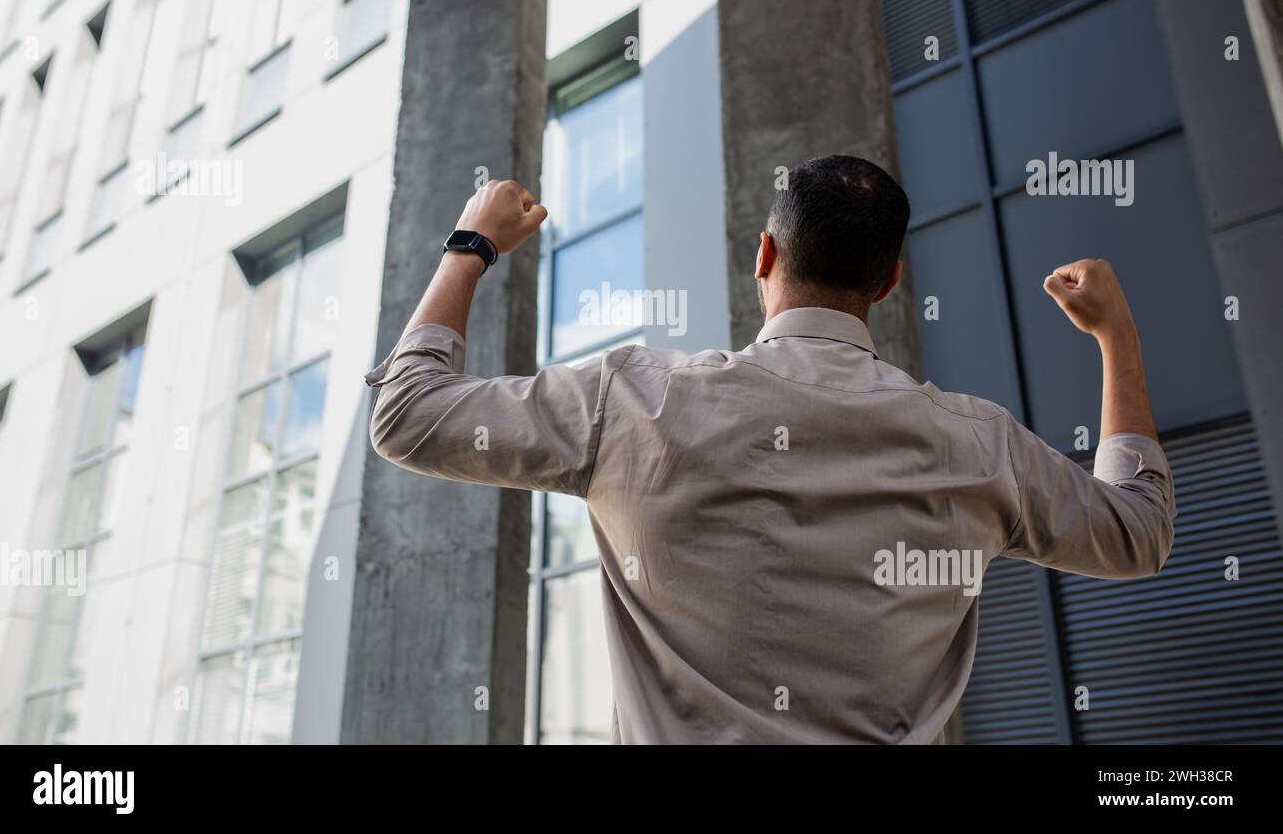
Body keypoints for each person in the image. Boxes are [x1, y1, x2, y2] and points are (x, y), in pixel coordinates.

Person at [364, 154, 1175, 744]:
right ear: (889, 283)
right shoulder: (980, 442)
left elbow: (407, 413)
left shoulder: (635, 401)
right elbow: (1138, 532)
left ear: (763, 256)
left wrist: (470, 243)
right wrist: (1117, 335)